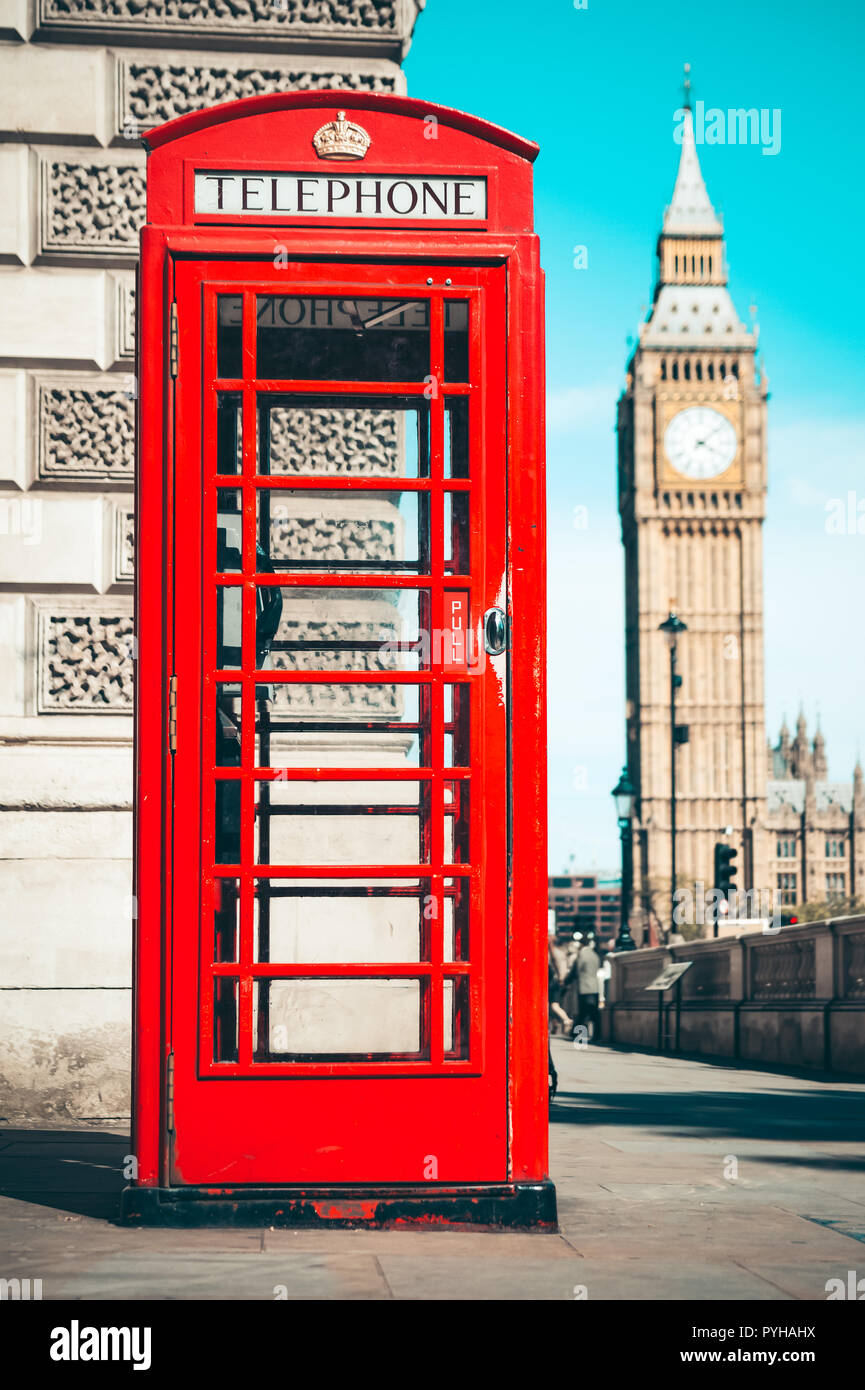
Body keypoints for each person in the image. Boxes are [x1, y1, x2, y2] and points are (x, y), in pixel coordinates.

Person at [576, 935, 602, 1042]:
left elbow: (577, 970)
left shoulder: (582, 954)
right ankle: (597, 1035)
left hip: (584, 986)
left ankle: (579, 1035)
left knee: (582, 1013)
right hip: (594, 986)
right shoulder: (595, 955)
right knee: (594, 1014)